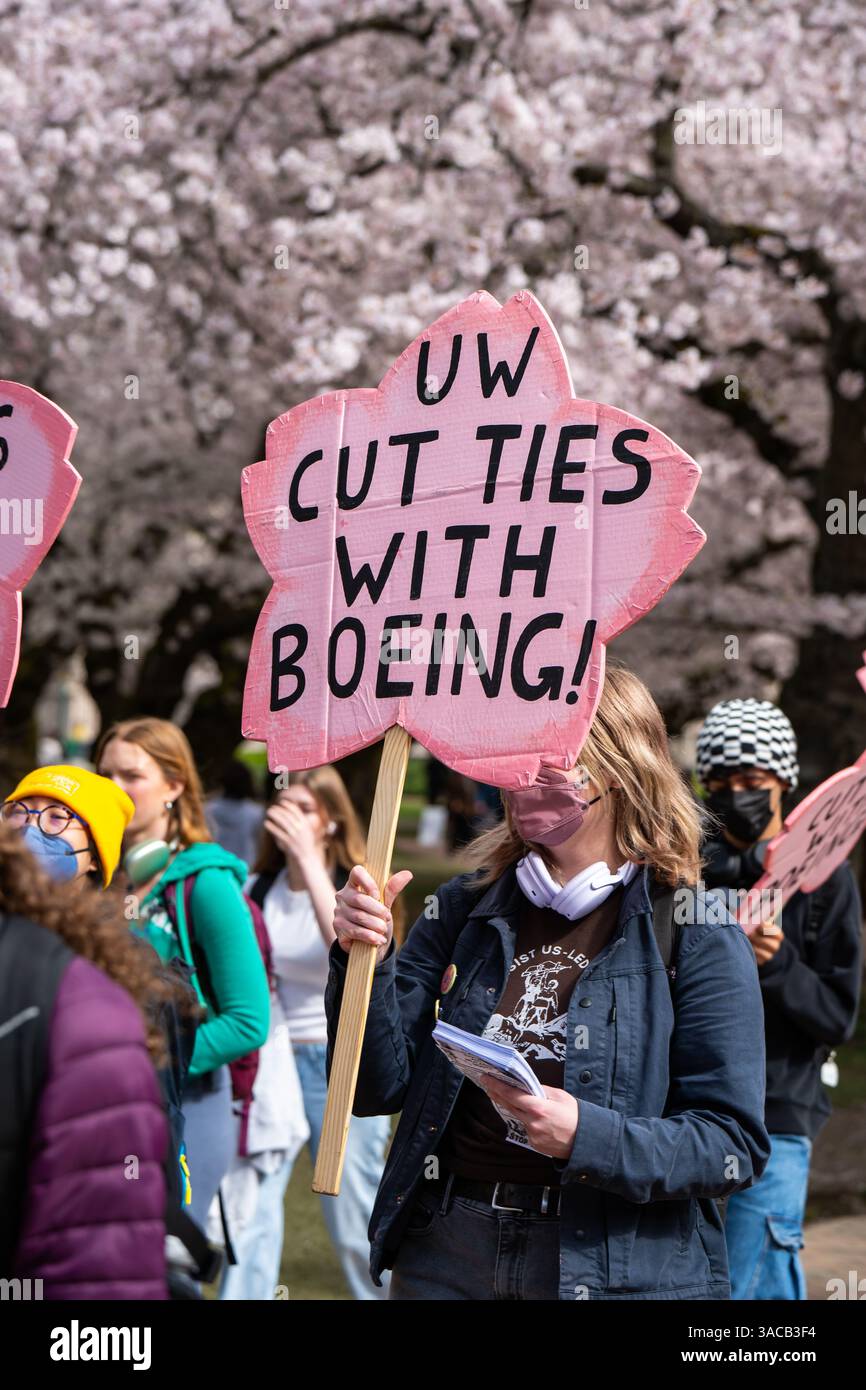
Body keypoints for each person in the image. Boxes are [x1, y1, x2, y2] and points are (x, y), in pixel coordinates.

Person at [326, 664, 771, 1300]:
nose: (523, 778)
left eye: (550, 759)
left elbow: (731, 1144)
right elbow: (373, 1088)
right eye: (515, 758)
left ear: (621, 769)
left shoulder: (695, 929)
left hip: (606, 1266)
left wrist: (587, 1136)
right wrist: (362, 960)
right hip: (447, 1252)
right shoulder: (462, 908)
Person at [696, 697, 863, 1300]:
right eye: (720, 782)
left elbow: (837, 1016)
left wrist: (778, 962)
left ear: (783, 781)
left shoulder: (828, 880)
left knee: (757, 1280)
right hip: (690, 1114)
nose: (736, 793)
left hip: (779, 1114)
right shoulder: (690, 872)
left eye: (751, 781)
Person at [223, 766, 392, 1301]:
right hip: (271, 1062)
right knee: (249, 1207)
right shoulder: (258, 886)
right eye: (283, 805)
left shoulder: (358, 889)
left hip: (335, 1062)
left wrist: (308, 861)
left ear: (331, 823)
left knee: (352, 1217)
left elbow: (343, 945)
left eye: (304, 809)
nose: (287, 817)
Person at [96, 718, 270, 1230]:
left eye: (131, 775)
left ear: (174, 786)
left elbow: (247, 1020)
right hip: (101, 1104)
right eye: (104, 773)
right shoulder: (98, 877)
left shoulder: (207, 883)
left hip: (186, 1106)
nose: (113, 789)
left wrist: (149, 1066)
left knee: (160, 1268)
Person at [0, 822, 169, 1298]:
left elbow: (96, 1263)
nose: (31, 829)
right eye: (19, 810)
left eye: (56, 819)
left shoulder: (81, 1005)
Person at [206, 761, 265, 867]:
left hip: (215, 864)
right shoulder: (256, 812)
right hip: (245, 866)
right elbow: (261, 844)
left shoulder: (209, 809)